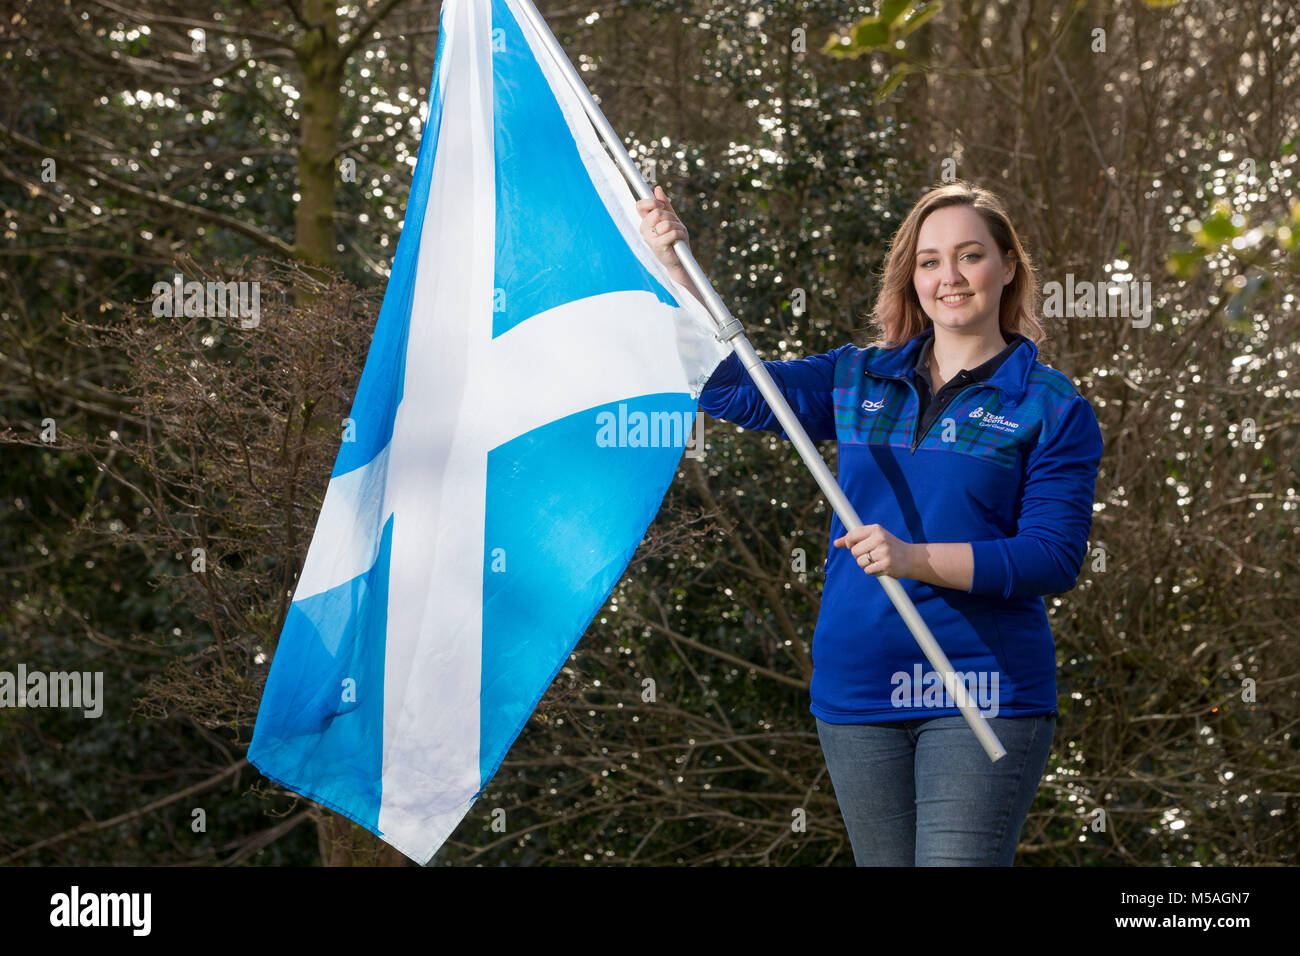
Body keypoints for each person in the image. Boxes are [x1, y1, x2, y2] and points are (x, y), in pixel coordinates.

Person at [635, 180, 1104, 866]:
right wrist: (678, 267)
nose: (949, 277)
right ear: (911, 278)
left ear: (1007, 267)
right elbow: (732, 388)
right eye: (929, 261)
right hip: (856, 693)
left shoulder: (1051, 406)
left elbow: (1050, 557)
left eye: (970, 256)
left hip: (981, 689)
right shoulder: (856, 379)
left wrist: (915, 559)